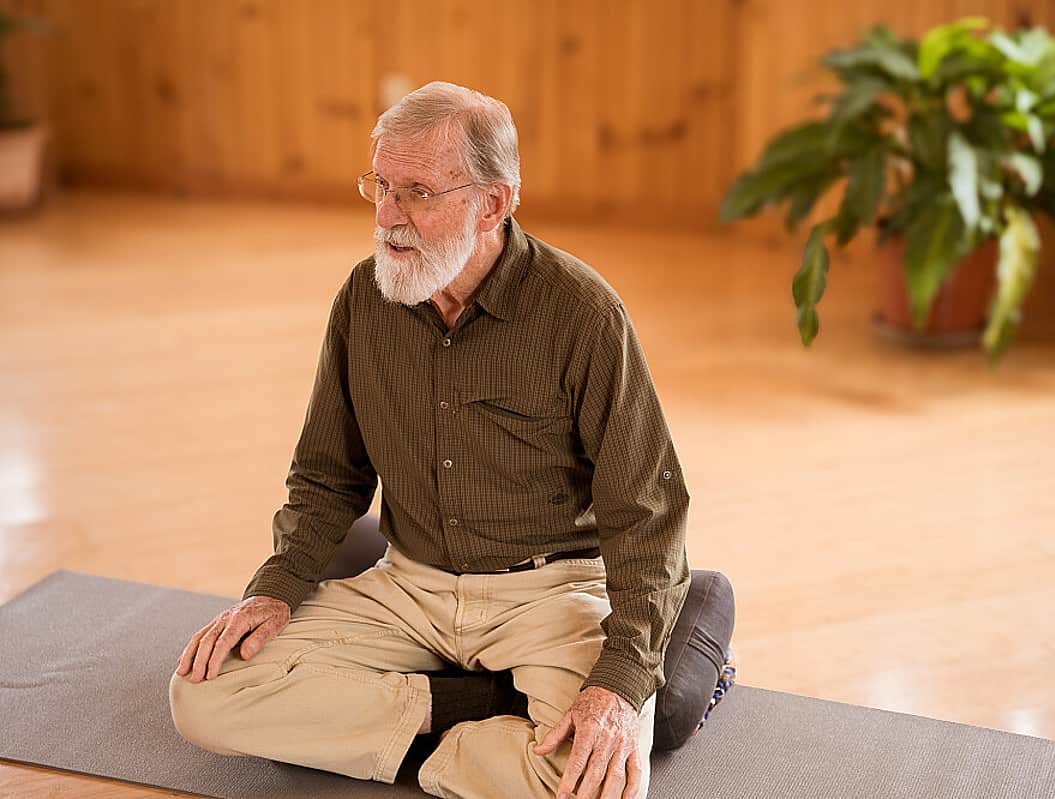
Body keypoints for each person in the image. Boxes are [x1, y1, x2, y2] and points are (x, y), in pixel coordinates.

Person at [168, 81, 691, 799]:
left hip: (547, 591)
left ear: (494, 203)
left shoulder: (584, 315)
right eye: (379, 185)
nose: (387, 216)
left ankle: (434, 751)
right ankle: (462, 710)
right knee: (200, 694)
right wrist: (275, 589)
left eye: (415, 191)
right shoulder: (363, 298)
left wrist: (622, 681)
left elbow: (647, 512)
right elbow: (327, 476)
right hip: (408, 581)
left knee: (603, 783)